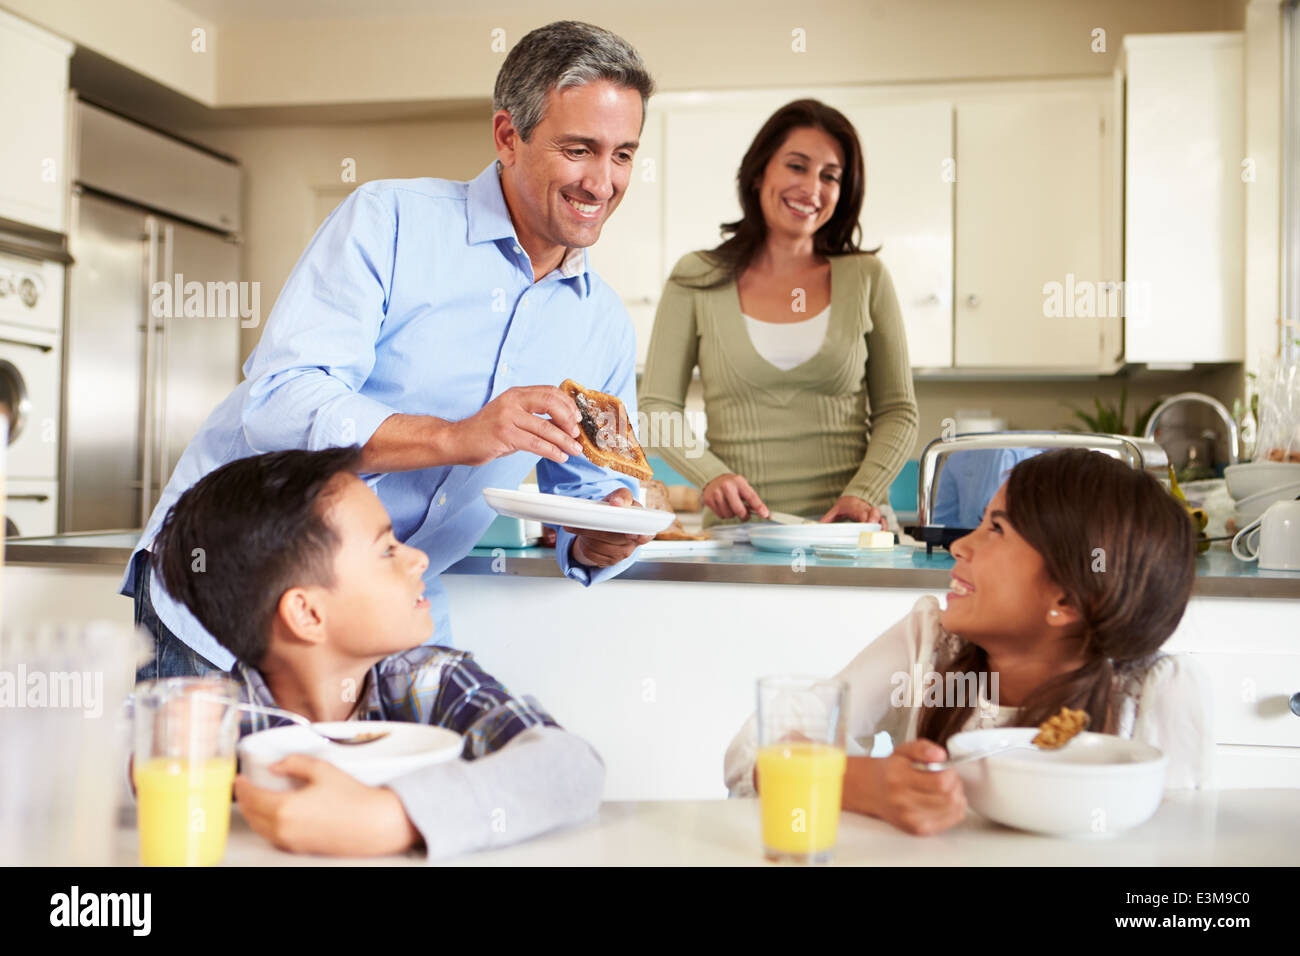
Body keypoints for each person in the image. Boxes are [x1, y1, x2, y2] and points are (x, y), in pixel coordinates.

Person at [121, 21, 658, 679]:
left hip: (388, 614)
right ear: (507, 138)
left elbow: (589, 497)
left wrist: (609, 532)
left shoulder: (603, 324)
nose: (603, 182)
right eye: (580, 149)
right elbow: (280, 400)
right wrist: (457, 437)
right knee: (212, 784)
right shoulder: (390, 222)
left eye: (623, 154)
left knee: (411, 777)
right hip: (237, 585)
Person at [723, 449, 1214, 835]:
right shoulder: (929, 645)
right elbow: (756, 749)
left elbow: (1180, 853)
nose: (960, 545)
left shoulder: (1154, 695)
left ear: (1064, 600)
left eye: (995, 529)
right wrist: (864, 784)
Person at [148, 446, 604, 859]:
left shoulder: (432, 683)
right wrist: (165, 745)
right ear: (307, 613)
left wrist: (393, 817)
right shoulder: (222, 719)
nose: (418, 559)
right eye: (387, 549)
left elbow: (571, 768)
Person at [639, 99, 918, 528]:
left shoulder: (867, 277)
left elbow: (898, 410)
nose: (812, 188)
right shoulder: (696, 276)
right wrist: (709, 474)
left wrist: (862, 494)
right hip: (739, 537)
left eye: (830, 176)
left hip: (850, 536)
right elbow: (657, 407)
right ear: (759, 172)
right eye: (797, 166)